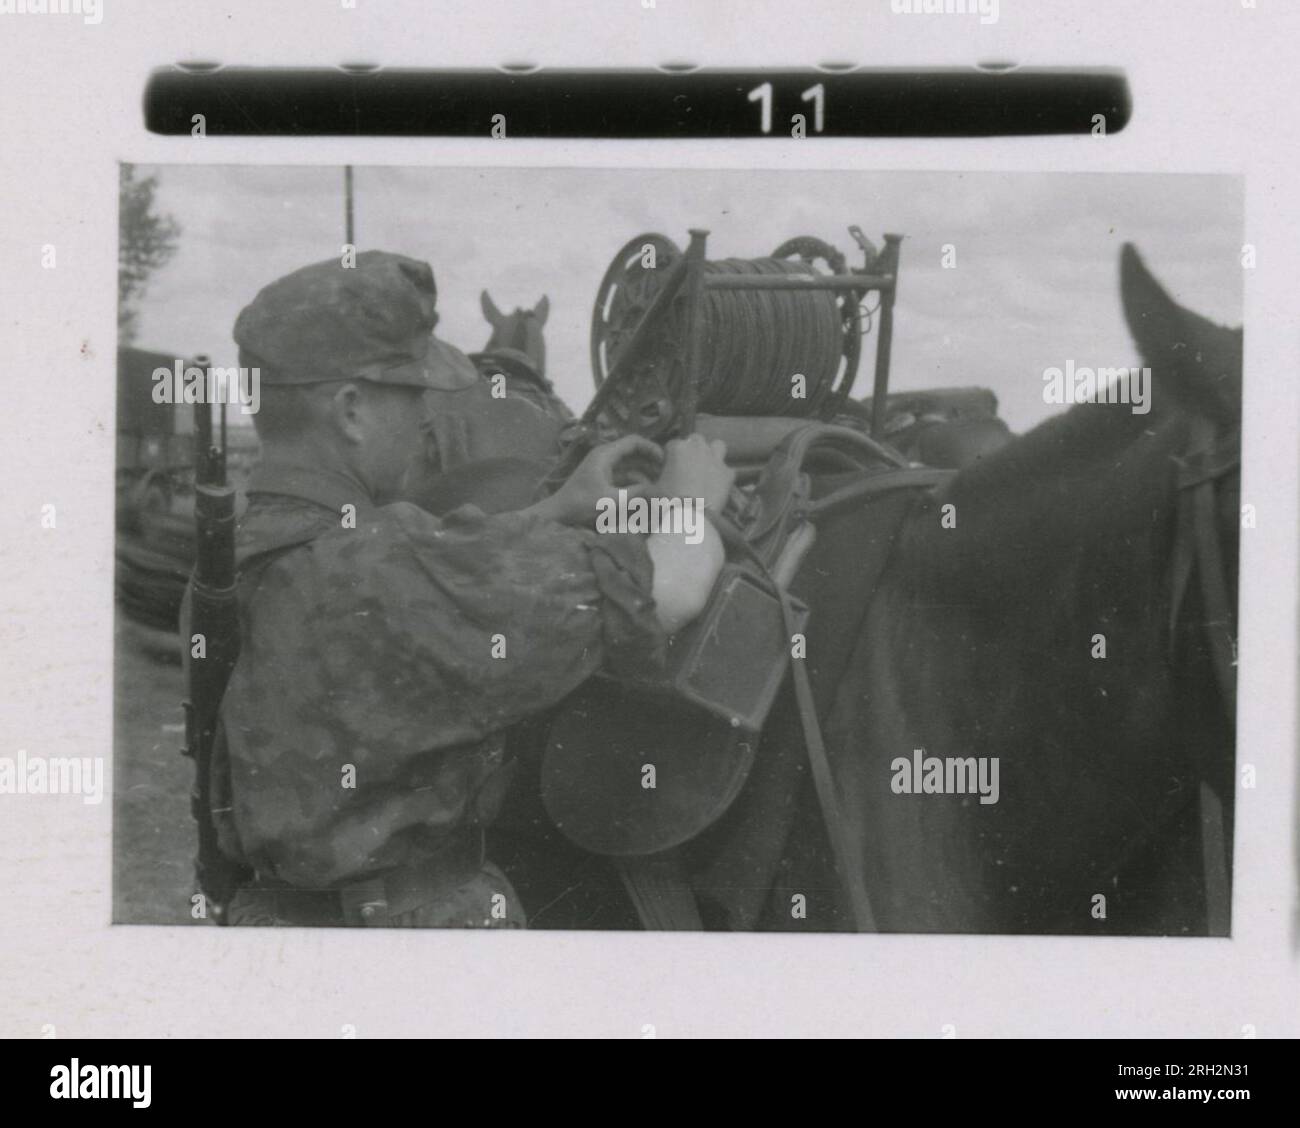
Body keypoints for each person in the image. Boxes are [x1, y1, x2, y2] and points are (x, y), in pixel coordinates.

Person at [196, 250, 733, 927]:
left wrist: (555, 507)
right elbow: (669, 592)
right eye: (413, 393)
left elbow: (416, 562)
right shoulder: (381, 574)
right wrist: (692, 505)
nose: (428, 416)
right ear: (352, 410)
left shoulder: (255, 548)